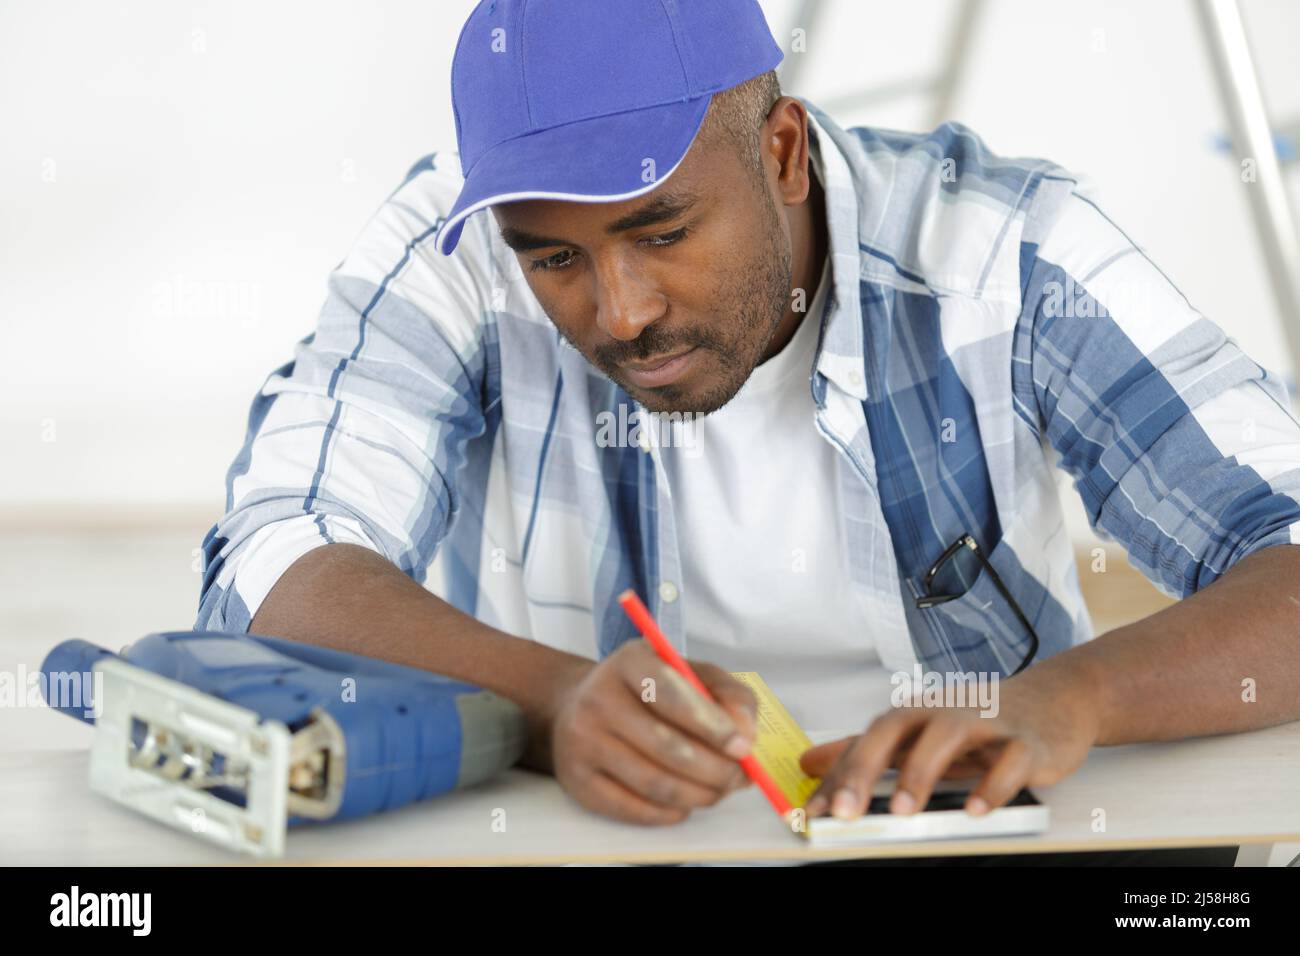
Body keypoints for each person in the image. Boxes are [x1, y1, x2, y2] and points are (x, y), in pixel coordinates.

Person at [196, 0, 1300, 862]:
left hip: (966, 838)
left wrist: (1074, 697)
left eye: (662, 230)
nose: (620, 310)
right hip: (594, 842)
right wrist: (552, 699)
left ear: (781, 152)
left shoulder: (1002, 247)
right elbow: (270, 562)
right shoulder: (458, 246)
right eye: (555, 258)